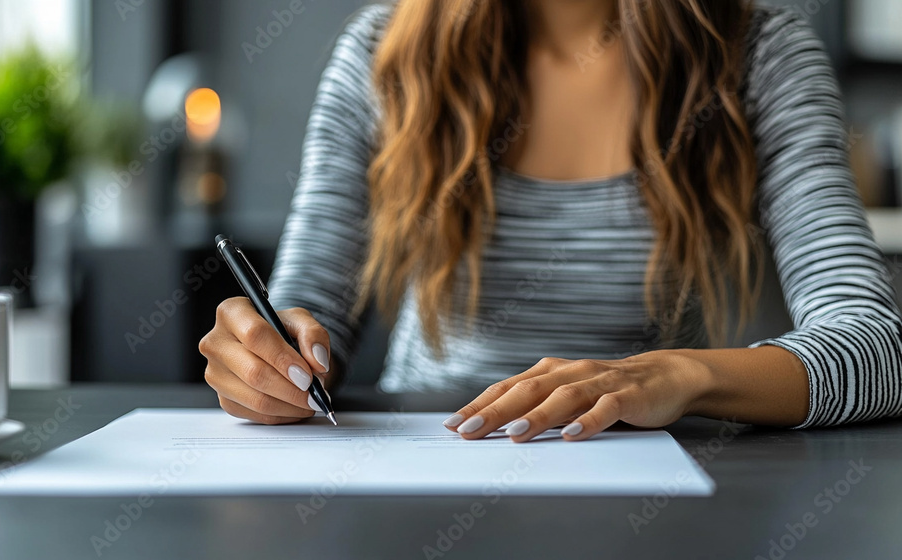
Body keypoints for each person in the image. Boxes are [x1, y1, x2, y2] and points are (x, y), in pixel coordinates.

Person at [199, 0, 902, 442]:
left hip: (642, 482)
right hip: (434, 460)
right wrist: (268, 362)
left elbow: (877, 349)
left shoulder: (759, 53)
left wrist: (681, 376)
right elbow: (305, 315)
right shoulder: (382, 55)